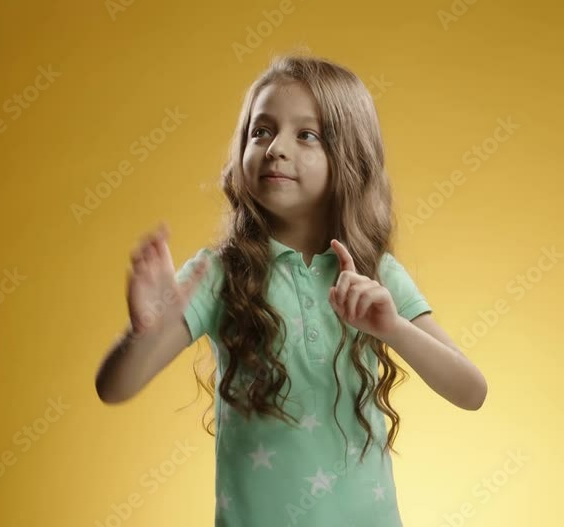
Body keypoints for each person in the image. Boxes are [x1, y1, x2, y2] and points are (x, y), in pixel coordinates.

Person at [94, 54, 488, 527]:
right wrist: (146, 330)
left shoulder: (376, 274)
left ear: (349, 156)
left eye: (306, 135)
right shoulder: (217, 274)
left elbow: (471, 391)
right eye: (261, 131)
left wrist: (394, 329)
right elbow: (114, 388)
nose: (275, 148)